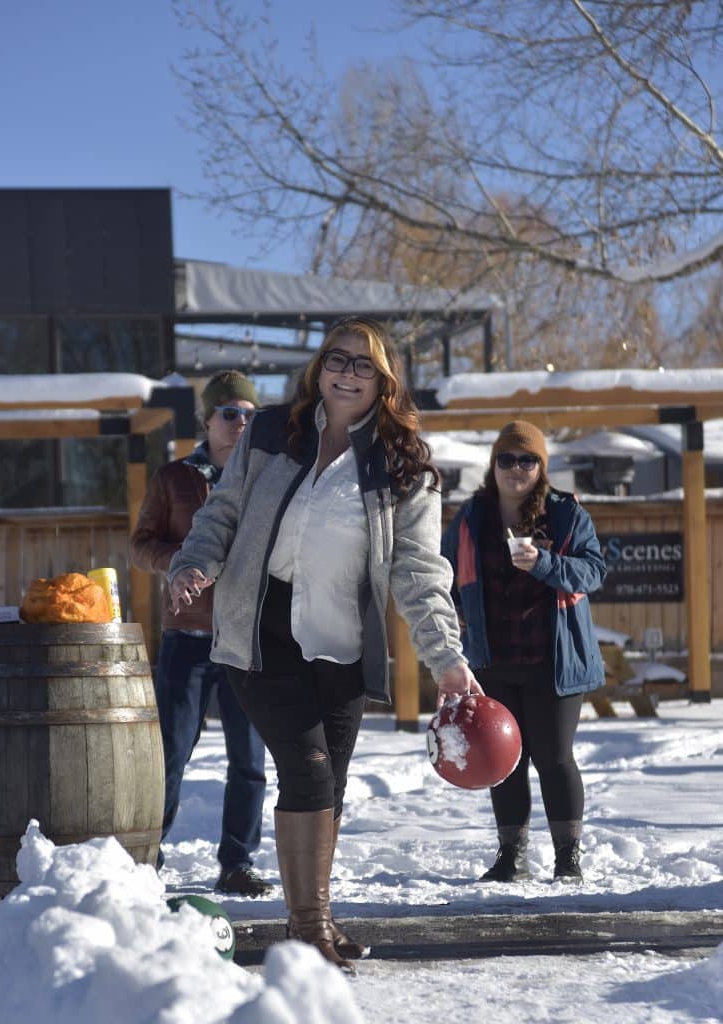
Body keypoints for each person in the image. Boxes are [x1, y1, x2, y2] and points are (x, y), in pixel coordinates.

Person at [167, 316, 481, 973]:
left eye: (362, 364)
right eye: (336, 359)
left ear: (385, 381)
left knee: (327, 787)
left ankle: (318, 919)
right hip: (261, 631)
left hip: (342, 642)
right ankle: (307, 929)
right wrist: (194, 564)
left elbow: (419, 575)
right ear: (319, 368)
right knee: (307, 772)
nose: (346, 372)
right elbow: (221, 512)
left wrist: (447, 660)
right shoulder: (270, 433)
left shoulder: (405, 470)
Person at [441, 420, 607, 885]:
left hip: (553, 662)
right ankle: (511, 857)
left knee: (554, 757)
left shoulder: (566, 515)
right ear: (492, 466)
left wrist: (546, 563)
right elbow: (443, 572)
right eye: (507, 459)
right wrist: (449, 617)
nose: (517, 468)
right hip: (492, 658)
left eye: (527, 459)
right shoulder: (472, 517)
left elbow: (593, 572)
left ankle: (567, 859)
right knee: (503, 759)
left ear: (542, 467)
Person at [129, 370, 271, 897]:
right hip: (188, 636)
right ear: (207, 421)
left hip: (246, 638)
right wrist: (182, 563)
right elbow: (139, 546)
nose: (240, 423)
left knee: (249, 759)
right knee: (169, 752)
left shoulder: (267, 477)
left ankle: (238, 861)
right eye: (230, 413)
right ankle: (148, 856)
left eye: (249, 415)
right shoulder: (173, 479)